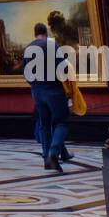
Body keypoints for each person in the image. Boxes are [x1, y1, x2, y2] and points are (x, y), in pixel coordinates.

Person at [23, 21, 70, 174]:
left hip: (37, 91)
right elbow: (63, 68)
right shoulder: (52, 45)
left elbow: (26, 74)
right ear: (46, 33)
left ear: (34, 34)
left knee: (44, 124)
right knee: (61, 122)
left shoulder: (28, 48)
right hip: (54, 90)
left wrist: (35, 85)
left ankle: (46, 159)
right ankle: (53, 153)